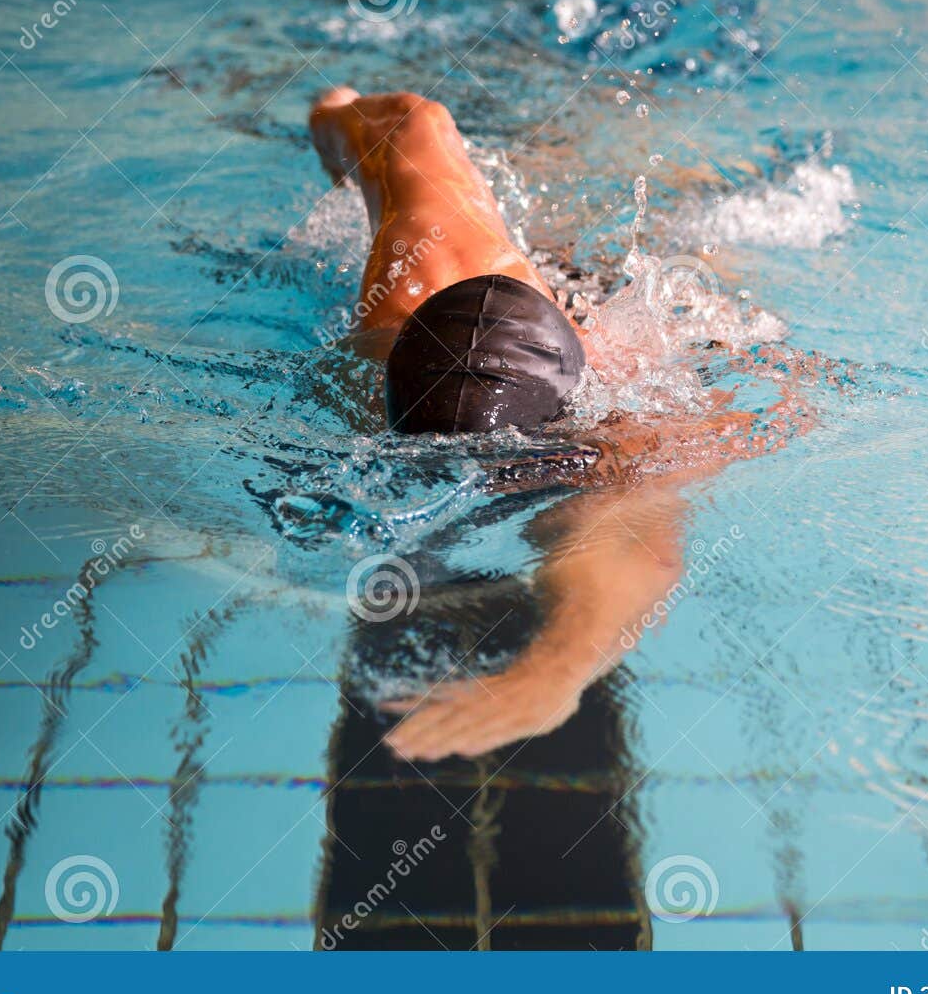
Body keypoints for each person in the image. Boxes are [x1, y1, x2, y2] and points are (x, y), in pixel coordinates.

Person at [307, 87, 811, 762]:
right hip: (458, 282)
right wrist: (328, 121)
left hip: (594, 302)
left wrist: (556, 672)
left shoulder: (630, 389)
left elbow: (637, 546)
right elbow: (389, 115)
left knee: (710, 251)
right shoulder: (406, 274)